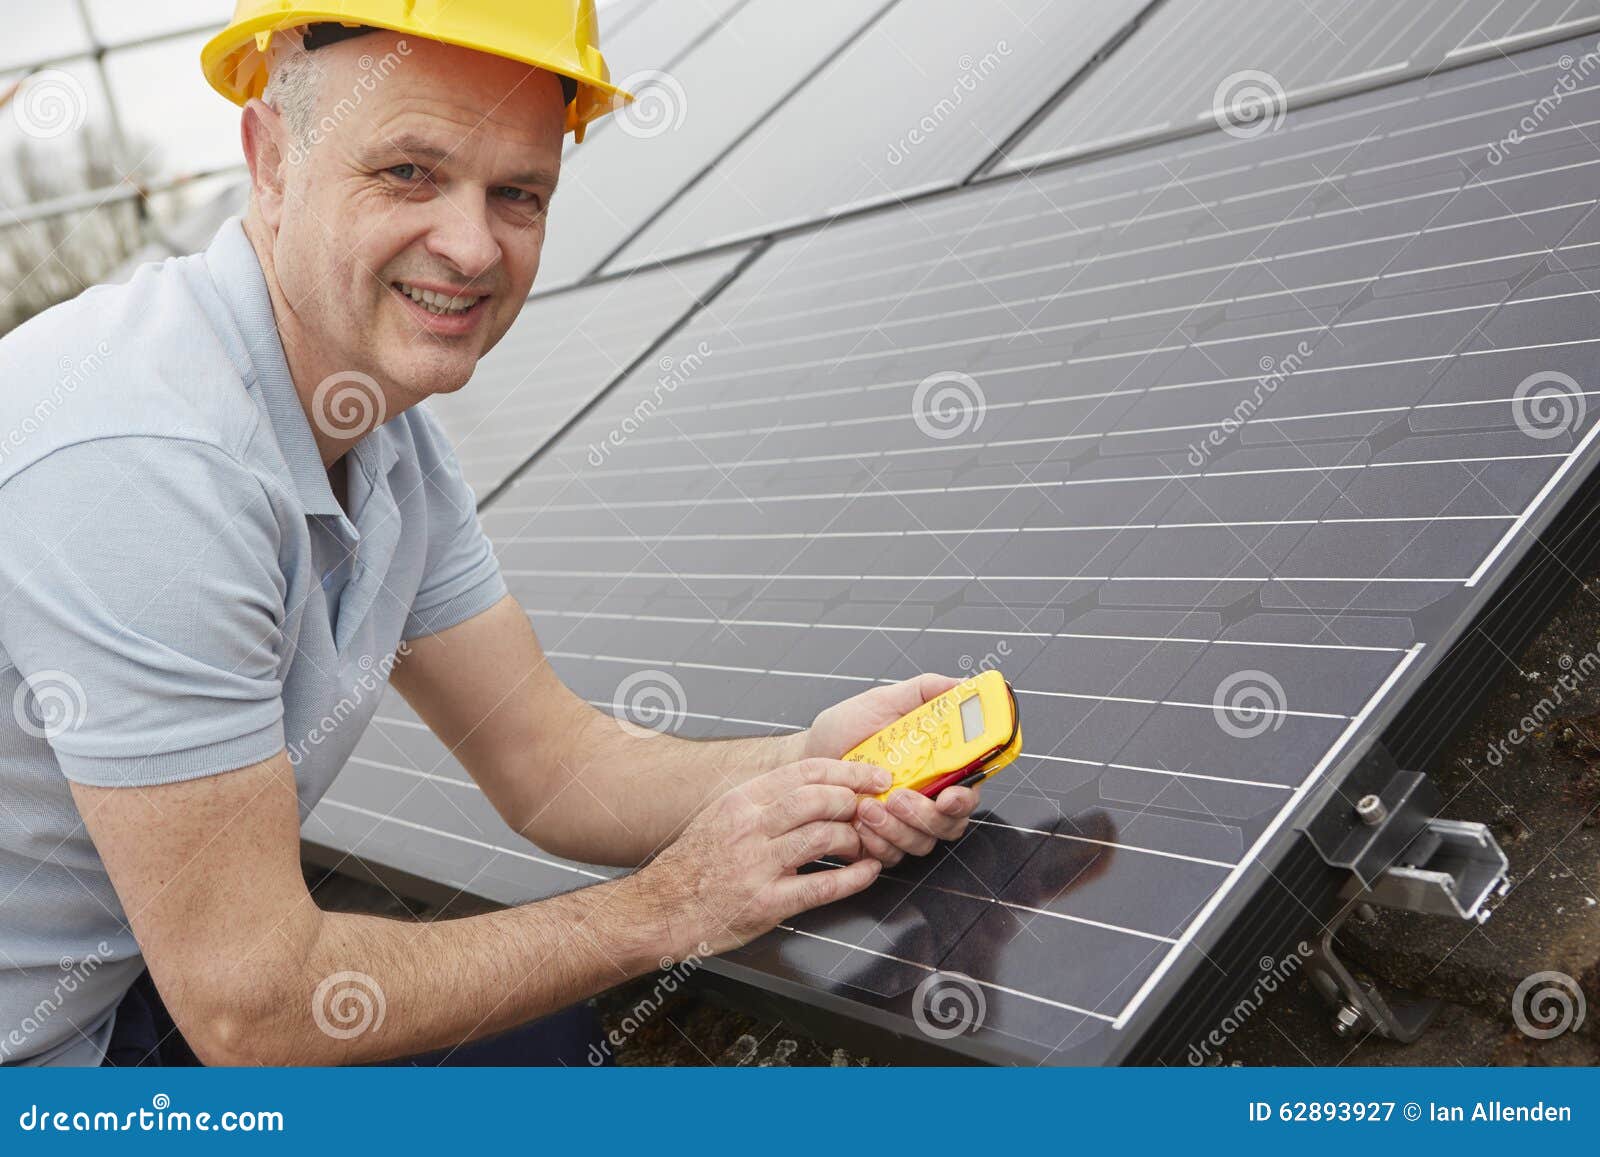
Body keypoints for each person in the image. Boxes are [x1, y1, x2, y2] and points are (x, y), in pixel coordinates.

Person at [0, 0, 980, 1067]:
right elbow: (258, 1009)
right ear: (270, 156)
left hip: (118, 1003)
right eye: (409, 172)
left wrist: (808, 765)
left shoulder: (383, 440)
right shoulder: (146, 463)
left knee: (537, 1036)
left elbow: (551, 762)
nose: (470, 246)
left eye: (517, 193)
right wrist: (668, 908)